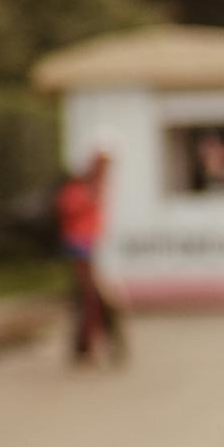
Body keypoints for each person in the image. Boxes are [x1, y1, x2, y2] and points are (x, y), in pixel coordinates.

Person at [54, 150, 126, 367]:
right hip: (80, 247)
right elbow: (68, 209)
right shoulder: (80, 186)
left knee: (91, 297)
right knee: (91, 297)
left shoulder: (97, 186)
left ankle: (88, 345)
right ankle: (90, 345)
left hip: (90, 245)